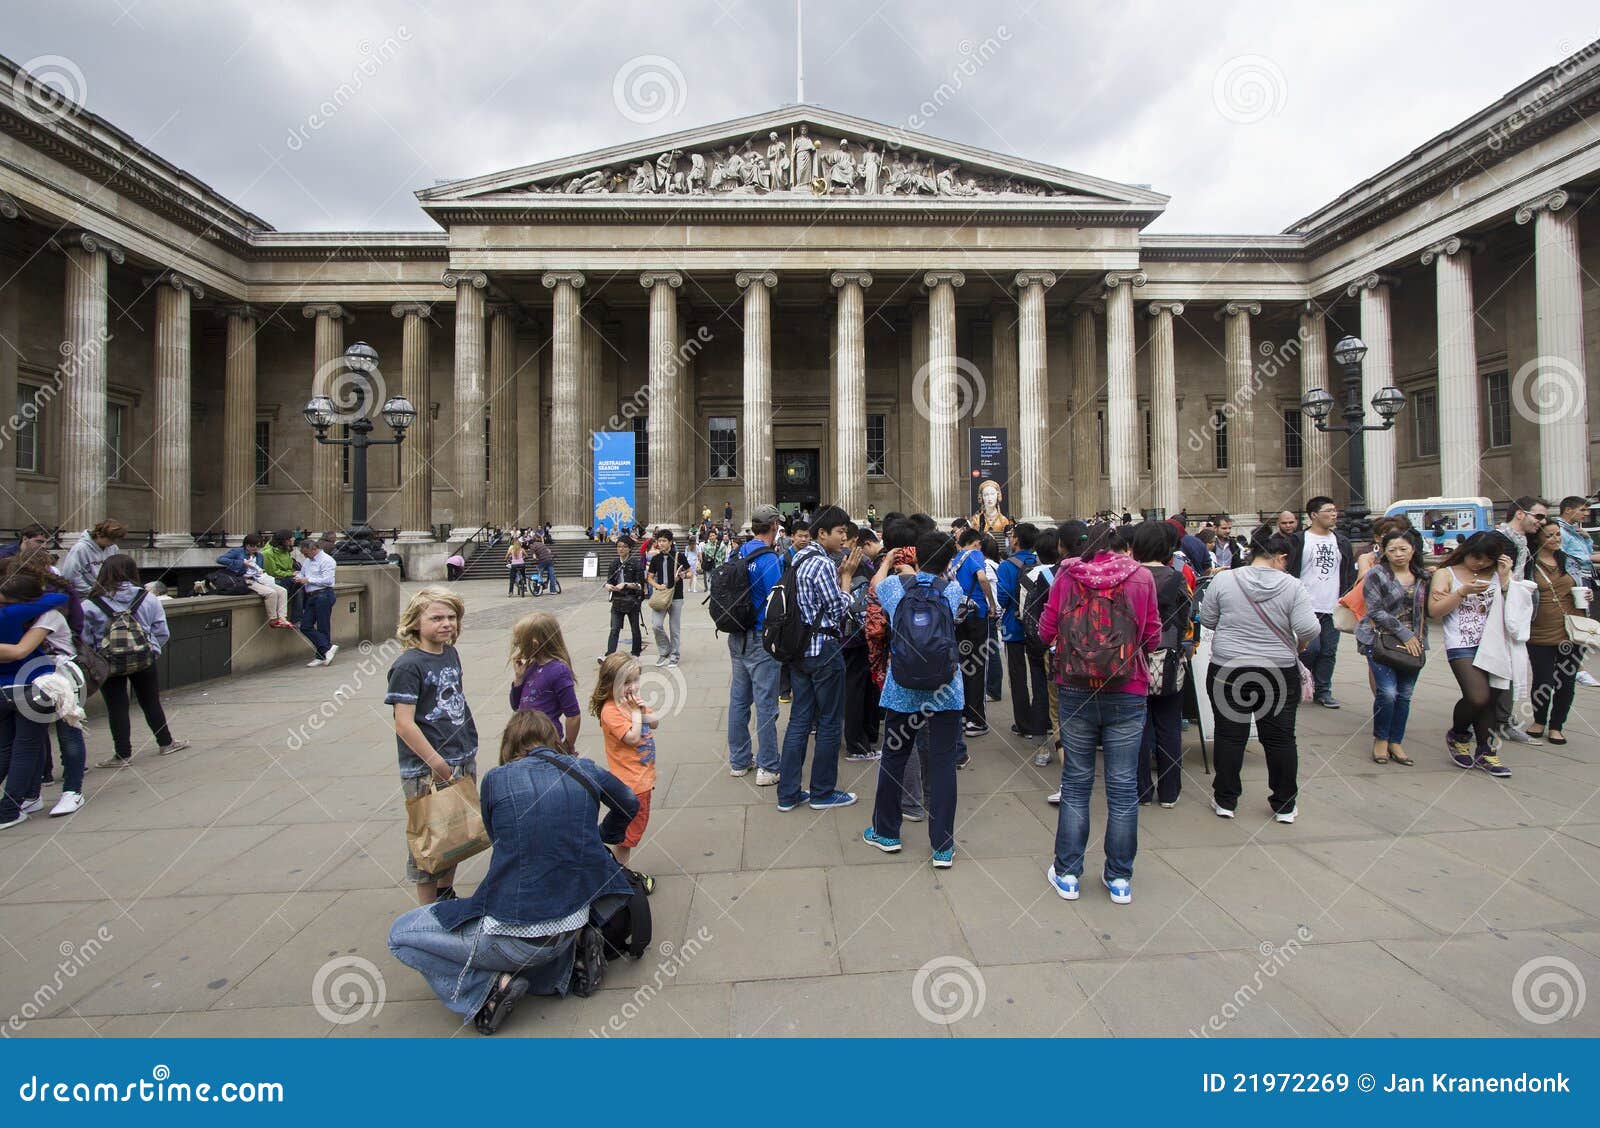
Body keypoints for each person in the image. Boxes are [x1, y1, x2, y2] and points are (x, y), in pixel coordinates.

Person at [387, 709, 638, 1034]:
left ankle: (486, 989)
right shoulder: (584, 768)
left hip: (513, 933)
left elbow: (497, 837)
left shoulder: (496, 779)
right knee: (535, 930)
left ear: (510, 745)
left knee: (401, 935)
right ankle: (569, 958)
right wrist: (605, 835)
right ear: (552, 739)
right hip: (575, 918)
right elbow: (629, 800)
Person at [1040, 522, 1160, 904]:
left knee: (1076, 783)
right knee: (1123, 787)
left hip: (1076, 688)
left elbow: (1045, 630)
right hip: (1127, 689)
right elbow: (1154, 635)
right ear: (1118, 546)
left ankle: (1069, 873)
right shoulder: (1141, 577)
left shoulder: (1067, 574)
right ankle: (1119, 878)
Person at [861, 530, 966, 868]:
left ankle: (887, 832)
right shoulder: (952, 589)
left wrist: (889, 562)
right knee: (942, 763)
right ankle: (943, 847)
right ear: (949, 561)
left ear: (915, 556)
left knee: (894, 758)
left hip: (902, 687)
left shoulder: (893, 587)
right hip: (946, 690)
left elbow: (873, 588)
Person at [1201, 529, 1318, 823]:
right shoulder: (1293, 586)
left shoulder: (1224, 579)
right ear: (1281, 557)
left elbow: (1209, 619)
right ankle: (1284, 805)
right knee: (1279, 738)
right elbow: (1309, 629)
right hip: (1277, 670)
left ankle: (1226, 800)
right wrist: (1298, 643)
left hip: (1229, 668)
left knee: (1229, 734)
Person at [386, 588, 479, 904]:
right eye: (437, 617)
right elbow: (404, 723)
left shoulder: (450, 653)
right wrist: (437, 763)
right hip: (427, 768)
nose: (446, 624)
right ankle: (426, 914)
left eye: (451, 617)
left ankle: (445, 895)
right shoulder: (408, 665)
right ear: (415, 623)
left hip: (461, 757)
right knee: (429, 841)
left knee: (454, 837)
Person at [777, 505, 860, 812]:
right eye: (840, 532)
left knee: (799, 720)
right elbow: (839, 608)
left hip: (799, 651)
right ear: (822, 533)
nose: (845, 538)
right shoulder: (822, 564)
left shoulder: (798, 558)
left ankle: (788, 793)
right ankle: (823, 792)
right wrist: (847, 579)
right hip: (823, 651)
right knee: (828, 723)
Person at [83, 554, 188, 768]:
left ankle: (122, 754)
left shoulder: (90, 603)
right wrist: (152, 650)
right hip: (143, 657)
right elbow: (161, 631)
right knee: (150, 701)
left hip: (108, 662)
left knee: (116, 706)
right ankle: (165, 742)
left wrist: (97, 657)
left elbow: (85, 638)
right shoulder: (147, 598)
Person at [1428, 531, 1519, 777]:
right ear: (1466, 551)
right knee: (1478, 696)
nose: (1480, 563)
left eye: (1487, 559)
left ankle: (1486, 750)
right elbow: (1435, 611)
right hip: (1461, 642)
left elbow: (1516, 607)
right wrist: (1460, 592)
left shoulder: (1497, 574)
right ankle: (1458, 734)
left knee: (1492, 697)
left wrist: (1505, 578)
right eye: (1476, 557)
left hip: (1494, 643)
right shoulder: (1446, 573)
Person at [0, 574, 70, 828]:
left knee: (5, 748)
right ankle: (8, 810)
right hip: (33, 685)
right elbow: (60, 595)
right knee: (26, 749)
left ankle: (29, 798)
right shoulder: (21, 613)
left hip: (2, 691)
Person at [726, 508, 787, 783]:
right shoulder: (768, 559)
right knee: (765, 704)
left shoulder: (736, 552)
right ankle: (768, 767)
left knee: (739, 701)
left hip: (736, 634)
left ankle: (739, 761)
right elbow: (779, 602)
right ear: (774, 526)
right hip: (761, 637)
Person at [1133, 521, 1191, 807]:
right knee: (1169, 727)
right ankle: (1169, 791)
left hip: (1134, 660)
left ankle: (1142, 789)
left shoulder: (1130, 576)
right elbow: (1187, 618)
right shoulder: (1177, 577)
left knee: (1139, 727)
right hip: (1169, 658)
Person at [1358, 529, 1429, 766]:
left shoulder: (1422, 576)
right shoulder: (1377, 575)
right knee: (1387, 692)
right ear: (1384, 552)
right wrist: (1403, 632)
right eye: (1392, 550)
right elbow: (1374, 610)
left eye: (1403, 549)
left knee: (1405, 695)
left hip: (1415, 642)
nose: (1398, 554)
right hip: (1380, 639)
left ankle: (1396, 741)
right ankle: (1381, 739)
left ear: (1413, 550)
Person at [592, 654, 658, 889]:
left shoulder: (631, 703)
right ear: (611, 684)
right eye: (626, 682)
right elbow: (632, 738)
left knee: (627, 833)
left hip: (642, 780)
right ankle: (621, 880)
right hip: (632, 784)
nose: (633, 687)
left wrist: (641, 709)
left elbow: (655, 721)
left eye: (636, 680)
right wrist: (638, 714)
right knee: (627, 838)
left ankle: (609, 863)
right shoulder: (611, 711)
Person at [1286, 496, 1354, 709]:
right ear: (1314, 515)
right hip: (1306, 605)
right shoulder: (1298, 540)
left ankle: (1323, 690)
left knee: (1328, 651)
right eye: (1329, 510)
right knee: (1310, 649)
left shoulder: (1341, 541)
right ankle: (1302, 682)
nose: (1334, 514)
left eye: (1335, 510)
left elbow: (1348, 572)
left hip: (1332, 604)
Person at [1525, 520, 1583, 744]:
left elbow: (1584, 585)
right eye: (1550, 535)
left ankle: (1557, 726)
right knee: (1543, 680)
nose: (1556, 539)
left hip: (1570, 630)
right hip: (1539, 630)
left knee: (1566, 681)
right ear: (1539, 538)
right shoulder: (1529, 564)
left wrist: (1587, 596)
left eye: (1558, 534)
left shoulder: (1568, 561)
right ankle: (1539, 720)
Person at [996, 523, 1046, 743]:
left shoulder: (1006, 566)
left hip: (1014, 626)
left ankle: (1023, 723)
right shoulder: (1040, 563)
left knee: (1017, 677)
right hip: (1038, 627)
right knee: (1039, 675)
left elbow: (1003, 599)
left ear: (1015, 540)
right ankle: (1041, 720)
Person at [509, 612, 581, 751]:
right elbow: (515, 705)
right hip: (523, 740)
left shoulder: (558, 671)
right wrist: (518, 679)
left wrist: (568, 745)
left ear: (535, 643)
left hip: (546, 743)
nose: (517, 647)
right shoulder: (530, 666)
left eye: (520, 642)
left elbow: (573, 716)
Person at [841, 525, 883, 764]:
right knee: (856, 689)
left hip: (862, 636)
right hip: (854, 636)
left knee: (865, 687)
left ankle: (866, 736)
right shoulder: (847, 563)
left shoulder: (859, 563)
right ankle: (857, 744)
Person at [953, 527, 995, 739]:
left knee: (962, 665)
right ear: (976, 542)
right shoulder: (976, 554)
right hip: (977, 616)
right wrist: (992, 604)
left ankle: (961, 714)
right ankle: (976, 719)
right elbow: (982, 578)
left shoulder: (955, 559)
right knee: (978, 665)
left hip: (960, 617)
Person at [1026, 529, 1061, 768]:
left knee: (1041, 692)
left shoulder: (1034, 575)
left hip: (1044, 643)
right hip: (1071, 647)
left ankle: (1041, 746)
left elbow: (1030, 612)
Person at [217, 533, 292, 627]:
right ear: (246, 545)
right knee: (271, 593)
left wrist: (261, 572)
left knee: (282, 591)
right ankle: (273, 619)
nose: (255, 548)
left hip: (259, 579)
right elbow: (220, 559)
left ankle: (282, 618)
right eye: (252, 546)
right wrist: (241, 562)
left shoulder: (259, 556)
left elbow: (259, 569)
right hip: (244, 580)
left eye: (258, 546)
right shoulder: (238, 551)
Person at [645, 531, 691, 667]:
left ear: (670, 542)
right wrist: (657, 586)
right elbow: (649, 578)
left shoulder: (679, 556)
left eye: (664, 541)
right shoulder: (655, 559)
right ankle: (665, 651)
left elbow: (690, 573)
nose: (661, 543)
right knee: (656, 625)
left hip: (676, 596)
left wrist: (683, 575)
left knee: (674, 628)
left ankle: (675, 655)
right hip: (661, 596)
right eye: (659, 541)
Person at [294, 537, 339, 667]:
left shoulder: (327, 560)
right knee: (305, 626)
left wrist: (308, 580)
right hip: (311, 595)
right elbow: (303, 574)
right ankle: (327, 648)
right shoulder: (307, 561)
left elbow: (328, 580)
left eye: (306, 553)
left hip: (323, 594)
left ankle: (321, 655)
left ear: (314, 549)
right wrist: (298, 577)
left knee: (323, 626)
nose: (304, 556)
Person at [604, 537, 646, 658]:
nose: (621, 549)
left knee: (635, 628)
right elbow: (609, 580)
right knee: (614, 628)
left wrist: (625, 584)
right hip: (617, 600)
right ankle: (610, 654)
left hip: (632, 600)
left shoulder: (636, 563)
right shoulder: (614, 563)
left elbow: (640, 585)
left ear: (630, 548)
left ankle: (635, 653)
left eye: (624, 546)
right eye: (619, 546)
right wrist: (608, 586)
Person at [61, 520, 124, 595]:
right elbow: (70, 574)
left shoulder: (113, 548)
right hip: (84, 595)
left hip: (106, 593)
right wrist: (90, 591)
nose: (112, 543)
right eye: (110, 540)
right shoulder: (80, 548)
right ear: (98, 534)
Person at [1495, 495, 1548, 577]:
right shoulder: (1493, 539)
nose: (1544, 522)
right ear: (1520, 514)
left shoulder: (1528, 543)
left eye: (1545, 518)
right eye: (1539, 516)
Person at [263, 530, 302, 619]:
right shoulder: (267, 553)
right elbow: (272, 572)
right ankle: (296, 618)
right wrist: (291, 573)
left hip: (287, 578)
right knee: (297, 585)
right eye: (290, 539)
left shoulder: (286, 551)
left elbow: (289, 567)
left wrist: (294, 573)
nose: (292, 541)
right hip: (275, 580)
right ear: (283, 541)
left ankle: (298, 617)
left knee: (302, 586)